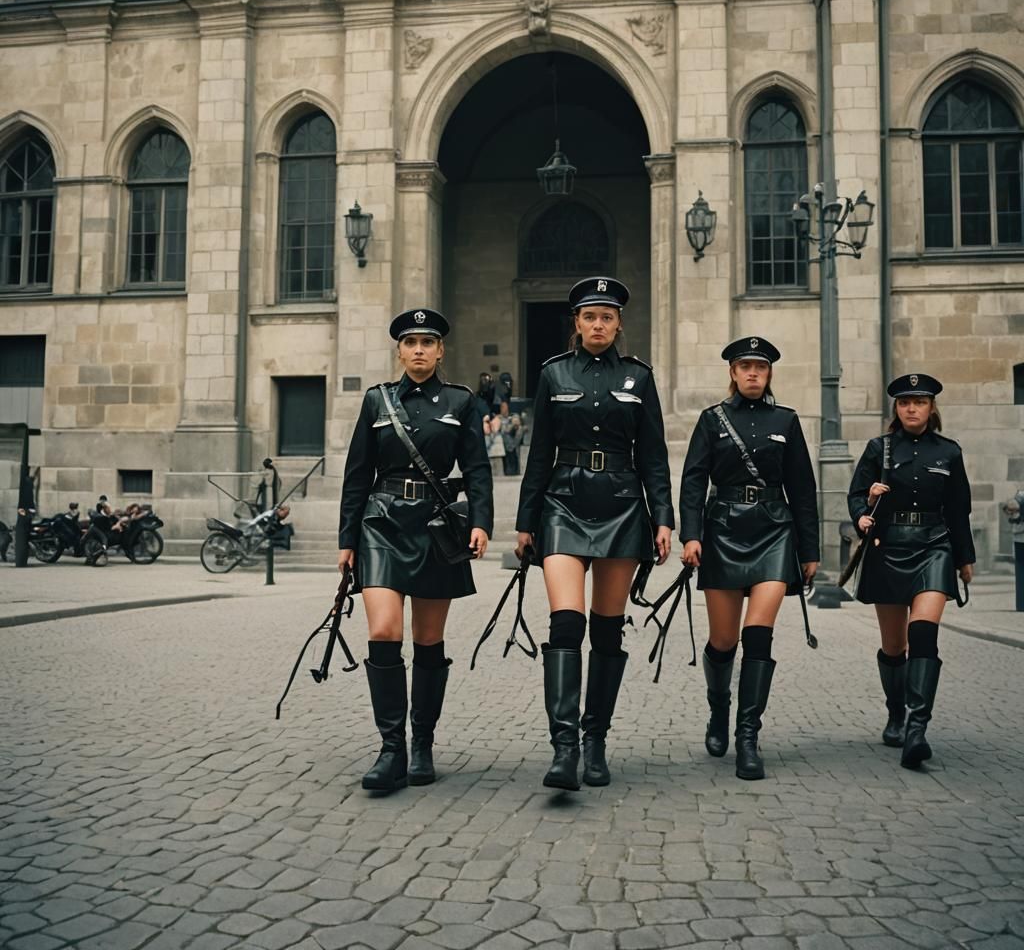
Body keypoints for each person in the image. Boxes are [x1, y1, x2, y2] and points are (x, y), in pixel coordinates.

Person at [516, 277, 673, 791]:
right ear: (576, 324)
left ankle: (595, 741)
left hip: (623, 506)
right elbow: (539, 453)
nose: (599, 325)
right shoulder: (552, 373)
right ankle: (563, 748)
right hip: (562, 503)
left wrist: (663, 517)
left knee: (607, 629)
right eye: (590, 317)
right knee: (566, 623)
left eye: (607, 316)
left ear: (619, 323)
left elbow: (654, 454)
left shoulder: (639, 378)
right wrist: (525, 522)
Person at [338, 309, 494, 792]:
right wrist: (347, 540)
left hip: (435, 526)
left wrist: (482, 523)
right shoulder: (375, 402)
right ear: (399, 351)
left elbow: (476, 468)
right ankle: (392, 749)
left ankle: (422, 743)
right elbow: (356, 474)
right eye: (411, 343)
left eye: (429, 342)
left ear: (441, 350)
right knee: (384, 629)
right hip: (381, 524)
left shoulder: (460, 402)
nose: (420, 350)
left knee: (428, 641)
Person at [679, 337, 819, 781]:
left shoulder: (787, 421)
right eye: (745, 366)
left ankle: (747, 735)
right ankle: (719, 711)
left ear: (770, 373)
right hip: (722, 530)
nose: (753, 373)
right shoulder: (712, 421)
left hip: (775, 531)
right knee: (723, 641)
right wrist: (691, 535)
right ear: (733, 373)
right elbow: (693, 481)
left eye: (760, 366)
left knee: (758, 635)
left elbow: (802, 489)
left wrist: (810, 551)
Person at [848, 373, 975, 769]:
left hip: (935, 546)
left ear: (931, 407)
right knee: (894, 647)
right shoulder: (879, 449)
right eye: (905, 403)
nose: (912, 409)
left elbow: (959, 510)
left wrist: (964, 558)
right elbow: (855, 496)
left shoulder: (949, 453)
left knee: (923, 633)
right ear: (896, 409)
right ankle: (896, 714)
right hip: (889, 546)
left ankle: (917, 730)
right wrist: (863, 513)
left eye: (919, 402)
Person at [1003, 490, 1024, 612]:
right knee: (1020, 573)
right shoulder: (1020, 495)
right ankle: (1021, 604)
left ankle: (1021, 604)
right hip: (1019, 539)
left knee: (1021, 573)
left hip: (1019, 538)